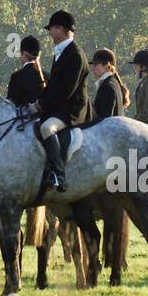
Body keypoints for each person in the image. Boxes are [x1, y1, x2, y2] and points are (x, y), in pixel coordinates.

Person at [38, 10, 91, 192]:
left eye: (51, 29)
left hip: (71, 109)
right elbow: (53, 86)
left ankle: (57, 174)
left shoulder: (75, 54)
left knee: (46, 128)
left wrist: (43, 105)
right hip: (60, 105)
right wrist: (39, 102)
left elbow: (65, 90)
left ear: (60, 29)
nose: (50, 33)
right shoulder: (62, 52)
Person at [6, 35, 47, 109]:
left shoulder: (17, 77)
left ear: (23, 54)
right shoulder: (48, 76)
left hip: (23, 119)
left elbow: (10, 106)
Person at [89, 47, 129, 120]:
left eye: (95, 65)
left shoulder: (107, 87)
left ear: (107, 65)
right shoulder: (113, 83)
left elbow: (104, 119)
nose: (92, 68)